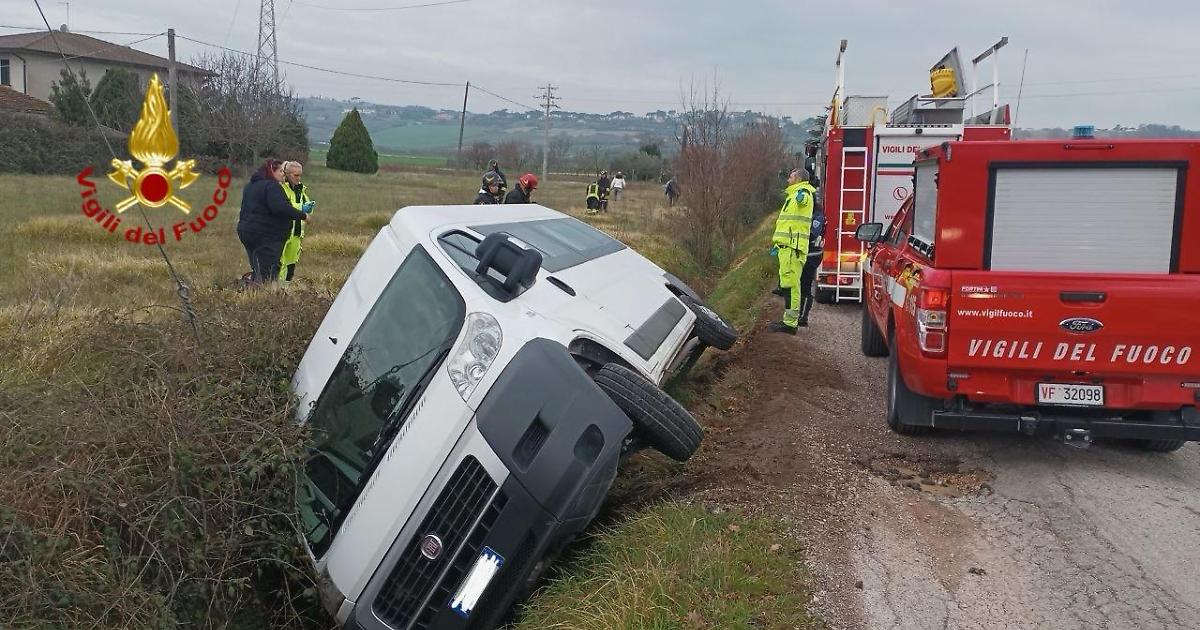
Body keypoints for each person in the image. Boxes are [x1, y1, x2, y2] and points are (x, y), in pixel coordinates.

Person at [238, 158, 310, 285]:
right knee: (268, 273)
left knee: (258, 268)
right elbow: (280, 207)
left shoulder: (251, 186)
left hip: (247, 232)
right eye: (281, 171)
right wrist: (302, 215)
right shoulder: (272, 186)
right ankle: (262, 298)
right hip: (267, 236)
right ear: (272, 171)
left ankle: (251, 291)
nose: (283, 174)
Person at [769, 168, 817, 334]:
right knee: (787, 285)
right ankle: (788, 321)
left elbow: (803, 201)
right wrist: (778, 245)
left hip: (792, 249)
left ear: (797, 179)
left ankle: (790, 324)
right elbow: (788, 224)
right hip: (786, 247)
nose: (788, 180)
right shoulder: (793, 194)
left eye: (790, 177)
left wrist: (800, 193)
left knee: (791, 286)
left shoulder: (803, 192)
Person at [278, 160, 315, 283]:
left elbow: (307, 214)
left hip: (297, 234)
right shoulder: (281, 189)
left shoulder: (301, 191)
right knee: (279, 263)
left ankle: (285, 290)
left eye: (300, 175)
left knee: (291, 265)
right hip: (283, 233)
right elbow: (283, 209)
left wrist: (308, 208)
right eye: (296, 175)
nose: (299, 178)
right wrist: (301, 210)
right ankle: (275, 291)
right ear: (287, 174)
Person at [797, 191, 825, 327]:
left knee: (805, 285)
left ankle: (803, 317)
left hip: (812, 255)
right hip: (802, 253)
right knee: (798, 284)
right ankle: (798, 313)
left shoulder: (817, 215)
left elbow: (813, 234)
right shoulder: (804, 212)